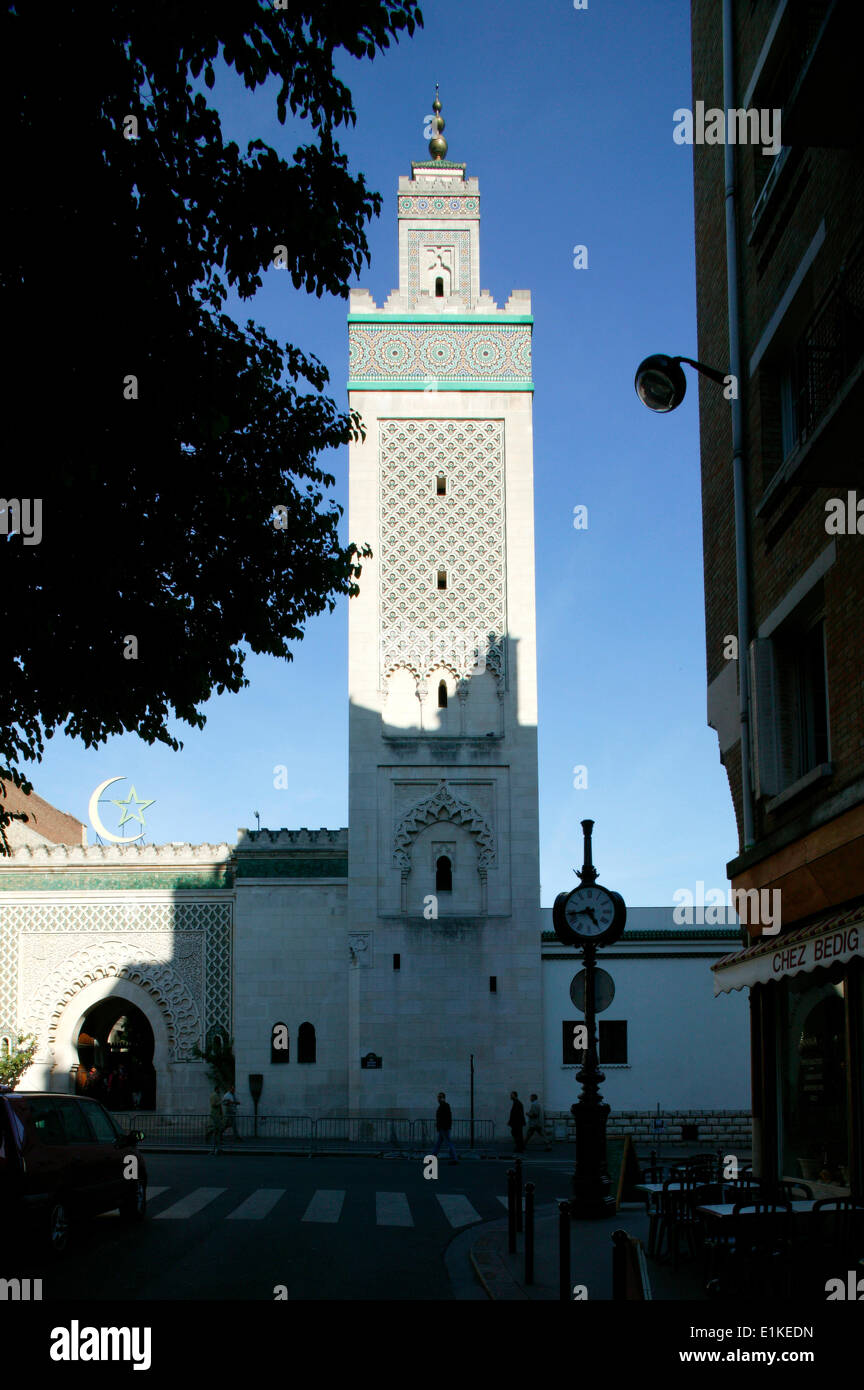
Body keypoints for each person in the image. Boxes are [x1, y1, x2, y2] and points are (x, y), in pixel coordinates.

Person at [431, 1091, 458, 1163]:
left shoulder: (444, 1106)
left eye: (439, 1097)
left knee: (448, 1143)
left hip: (444, 1128)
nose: (438, 1099)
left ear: (443, 1098)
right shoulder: (443, 1106)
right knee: (439, 1143)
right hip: (443, 1128)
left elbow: (444, 1118)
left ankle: (455, 1159)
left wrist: (441, 1125)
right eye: (438, 1097)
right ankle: (432, 1157)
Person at [207, 1088, 224, 1154]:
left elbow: (219, 1107)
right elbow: (213, 1104)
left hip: (217, 1115)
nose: (219, 1091)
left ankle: (217, 1146)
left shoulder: (217, 1095)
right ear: (217, 1089)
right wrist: (220, 1102)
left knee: (218, 1129)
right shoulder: (214, 1096)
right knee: (216, 1129)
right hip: (215, 1115)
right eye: (218, 1089)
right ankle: (216, 1146)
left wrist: (221, 1113)